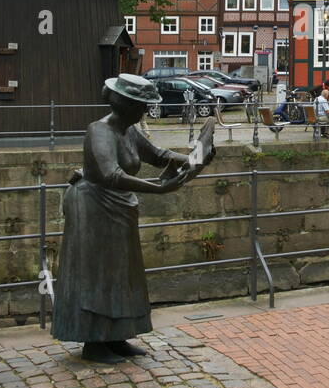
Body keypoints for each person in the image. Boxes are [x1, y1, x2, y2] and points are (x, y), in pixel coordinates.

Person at [52, 74, 212, 364]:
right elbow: (110, 175)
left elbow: (158, 155)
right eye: (142, 105)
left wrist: (193, 159)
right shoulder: (99, 130)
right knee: (97, 273)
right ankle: (93, 341)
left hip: (119, 209)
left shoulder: (129, 130)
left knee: (122, 273)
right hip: (93, 208)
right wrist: (159, 188)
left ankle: (116, 335)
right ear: (125, 104)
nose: (146, 111)